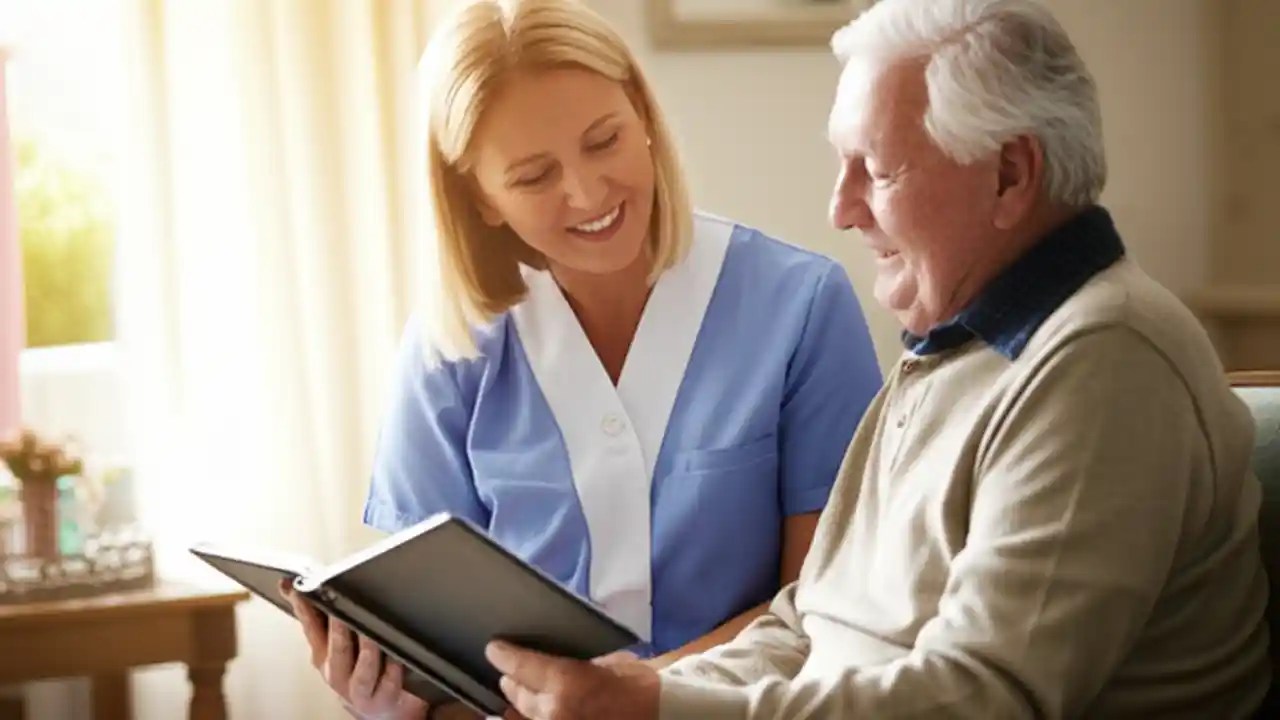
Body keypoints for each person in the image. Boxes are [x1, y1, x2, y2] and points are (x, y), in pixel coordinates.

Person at [481, 0, 1275, 718]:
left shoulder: (1102, 363)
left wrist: (657, 712)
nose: (841, 207)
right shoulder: (954, 347)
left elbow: (983, 698)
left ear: (1010, 174)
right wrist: (648, 694)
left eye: (879, 169)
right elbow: (806, 623)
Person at [281, 0, 883, 717]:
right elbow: (439, 665)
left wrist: (636, 699)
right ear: (480, 199)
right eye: (535, 177)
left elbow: (827, 610)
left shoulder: (801, 307)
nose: (588, 193)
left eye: (605, 141)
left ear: (645, 120)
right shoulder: (450, 353)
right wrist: (392, 701)